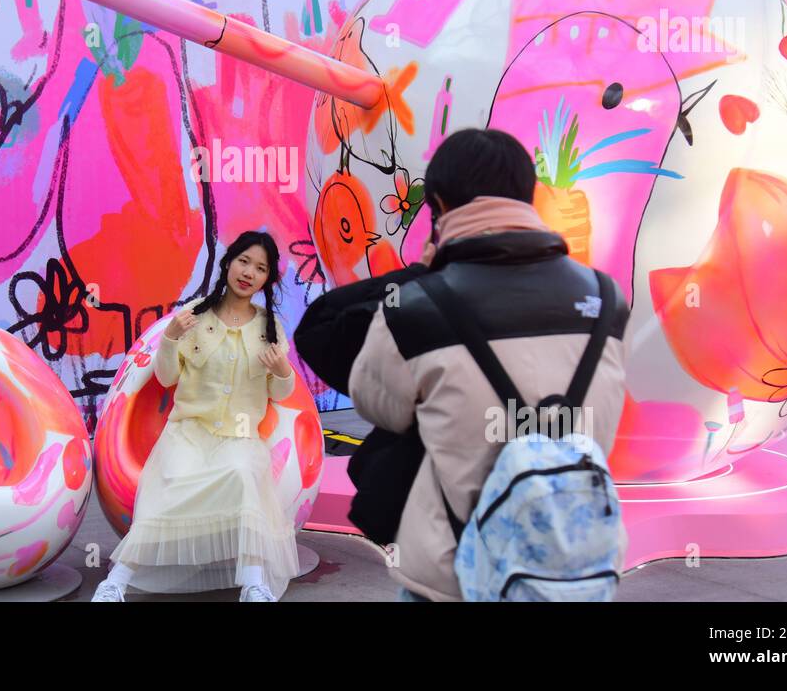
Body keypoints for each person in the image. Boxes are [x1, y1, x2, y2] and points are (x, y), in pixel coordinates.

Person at [349, 128, 629, 602]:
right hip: (571, 571)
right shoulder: (604, 296)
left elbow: (379, 407)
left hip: (452, 576)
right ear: (528, 196)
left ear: (438, 205)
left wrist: (425, 277)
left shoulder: (414, 305)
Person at [92, 230, 301, 602]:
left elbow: (278, 393)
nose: (249, 272)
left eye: (260, 268)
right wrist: (170, 339)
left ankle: (254, 584)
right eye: (243, 261)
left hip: (239, 438)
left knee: (242, 476)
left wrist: (283, 370)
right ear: (228, 262)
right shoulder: (194, 315)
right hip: (188, 433)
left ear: (267, 279)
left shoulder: (269, 328)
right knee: (169, 488)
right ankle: (115, 584)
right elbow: (167, 377)